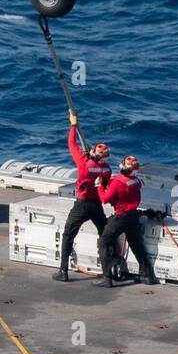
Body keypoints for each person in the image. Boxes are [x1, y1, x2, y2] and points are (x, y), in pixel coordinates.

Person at [52, 110, 112, 282]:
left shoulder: (83, 165)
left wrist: (73, 125)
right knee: (105, 234)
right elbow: (104, 182)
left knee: (68, 235)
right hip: (96, 204)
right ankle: (110, 271)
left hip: (82, 204)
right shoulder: (107, 169)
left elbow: (71, 143)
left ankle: (63, 271)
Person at [96, 155, 160, 288]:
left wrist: (99, 186)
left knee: (104, 242)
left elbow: (104, 199)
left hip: (121, 218)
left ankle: (106, 278)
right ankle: (147, 276)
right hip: (133, 217)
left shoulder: (117, 183)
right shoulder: (136, 181)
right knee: (137, 246)